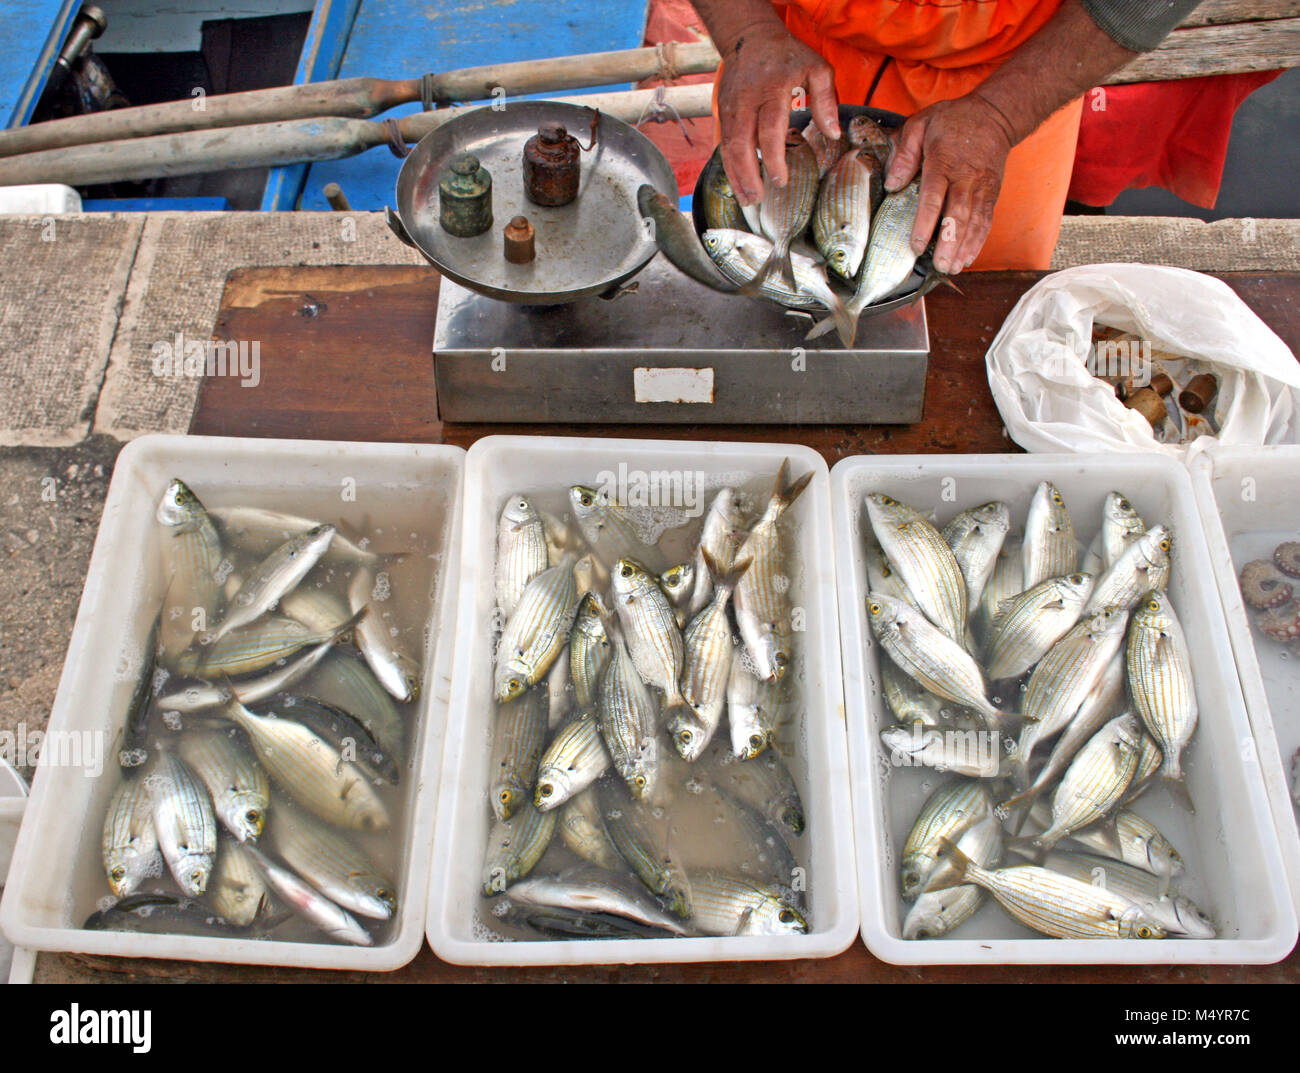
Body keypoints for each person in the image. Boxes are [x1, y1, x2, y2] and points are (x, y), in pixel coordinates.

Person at [690, 0, 1203, 272]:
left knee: (966, 291)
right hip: (785, 54)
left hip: (1019, 78)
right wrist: (747, 31)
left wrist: (1000, 115)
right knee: (763, 270)